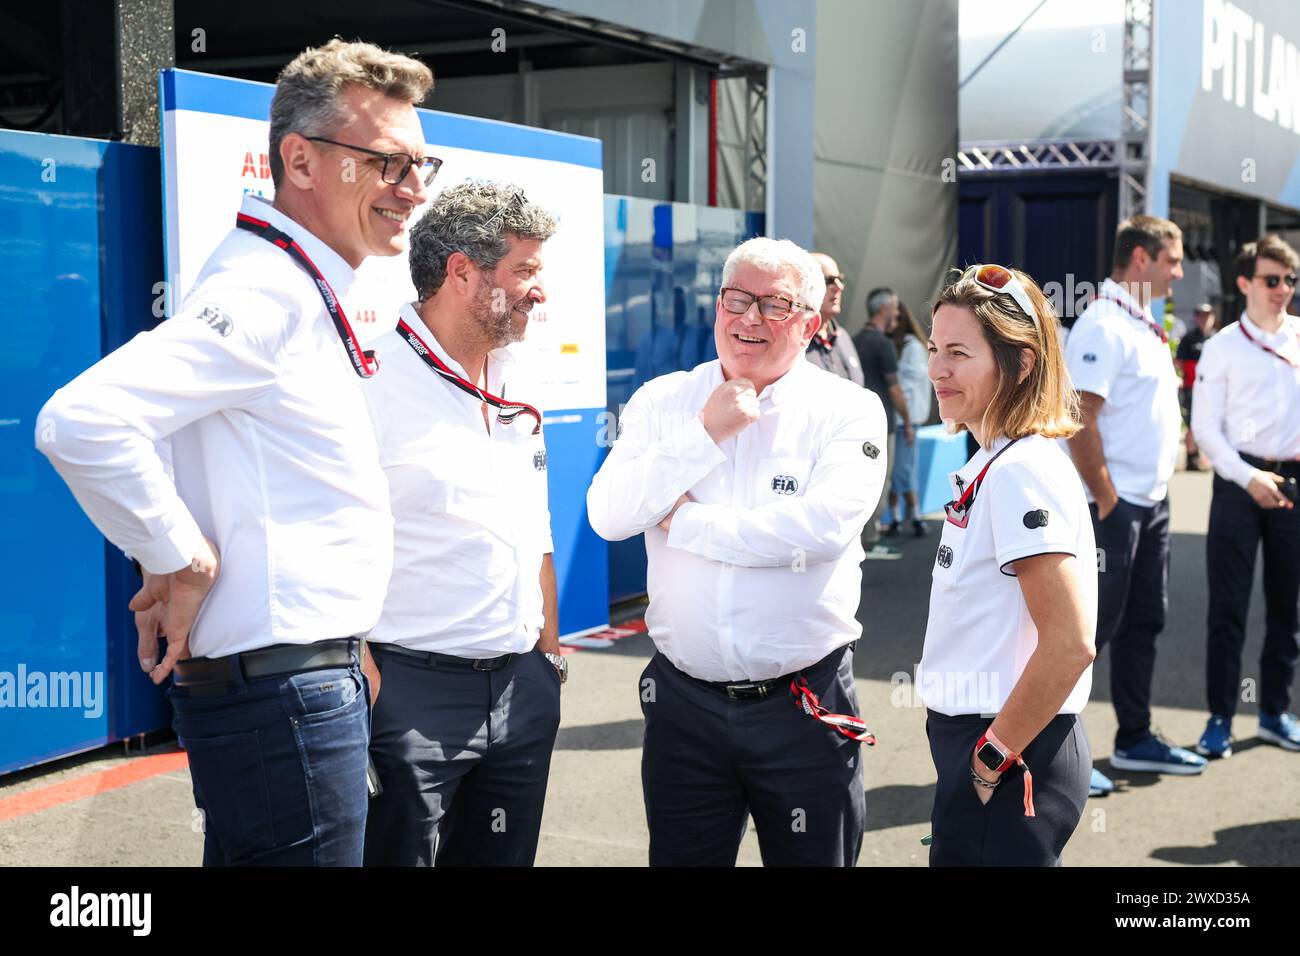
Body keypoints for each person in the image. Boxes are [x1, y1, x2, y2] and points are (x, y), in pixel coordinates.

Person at [35, 40, 435, 866]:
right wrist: (180, 556)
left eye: (422, 165)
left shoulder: (294, 282)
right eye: (391, 165)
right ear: (300, 159)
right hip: (281, 692)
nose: (414, 191)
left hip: (294, 679)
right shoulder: (264, 291)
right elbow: (81, 421)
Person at [586, 237, 887, 867]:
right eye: (736, 299)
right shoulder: (665, 401)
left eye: (774, 305)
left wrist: (686, 522)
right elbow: (610, 515)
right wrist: (702, 435)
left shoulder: (848, 410)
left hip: (804, 708)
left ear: (810, 322)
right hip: (684, 708)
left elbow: (820, 529)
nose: (749, 318)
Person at [362, 182, 564, 867]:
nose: (540, 290)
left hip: (520, 692)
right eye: (525, 270)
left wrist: (547, 659)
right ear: (461, 272)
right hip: (405, 696)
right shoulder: (367, 378)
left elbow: (535, 532)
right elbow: (317, 542)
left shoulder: (520, 376)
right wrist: (371, 688)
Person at [921, 264, 1096, 866]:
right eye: (934, 349)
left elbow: (1070, 643)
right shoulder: (1001, 461)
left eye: (959, 353)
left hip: (1012, 748)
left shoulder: (1020, 470)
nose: (938, 369)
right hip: (1001, 741)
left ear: (1019, 364)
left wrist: (989, 757)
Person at [1065, 215, 1206, 796]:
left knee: (1144, 622)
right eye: (1172, 261)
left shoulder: (1142, 321)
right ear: (1142, 259)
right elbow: (1078, 419)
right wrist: (1105, 496)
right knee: (1084, 636)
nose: (1180, 272)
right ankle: (1057, 757)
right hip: (1114, 507)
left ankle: (1135, 737)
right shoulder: (1103, 322)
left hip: (1151, 504)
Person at [1191, 236, 1300, 757]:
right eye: (1272, 280)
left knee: (1288, 608)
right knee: (1228, 610)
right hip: (1238, 484)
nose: (1283, 290)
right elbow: (1205, 428)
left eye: (1290, 281)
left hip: (1293, 485)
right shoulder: (1221, 346)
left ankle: (1276, 712)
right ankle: (1219, 719)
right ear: (1245, 284)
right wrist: (1248, 477)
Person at [853, 288, 915, 559]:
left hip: (859, 424)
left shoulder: (853, 340)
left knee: (864, 481)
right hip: (882, 426)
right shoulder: (883, 344)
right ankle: (870, 539)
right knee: (880, 481)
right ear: (882, 310)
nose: (898, 314)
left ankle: (866, 538)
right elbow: (895, 390)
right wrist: (909, 422)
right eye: (894, 308)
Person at [884, 301, 933, 538]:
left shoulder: (912, 347)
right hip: (900, 417)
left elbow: (908, 387)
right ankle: (902, 516)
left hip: (906, 418)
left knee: (902, 470)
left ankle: (914, 515)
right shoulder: (898, 345)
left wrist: (906, 418)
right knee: (898, 469)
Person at [805, 252, 864, 385]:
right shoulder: (792, 341)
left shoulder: (842, 336)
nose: (839, 287)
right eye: (829, 281)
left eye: (840, 279)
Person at [1176, 303, 1216, 471]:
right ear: (1196, 318)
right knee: (1192, 423)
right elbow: (1178, 361)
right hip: (1191, 388)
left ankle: (1206, 456)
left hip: (1212, 389)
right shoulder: (1188, 338)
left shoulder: (1216, 338)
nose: (1205, 319)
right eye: (1201, 315)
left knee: (1210, 423)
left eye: (1208, 315)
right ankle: (1192, 457)